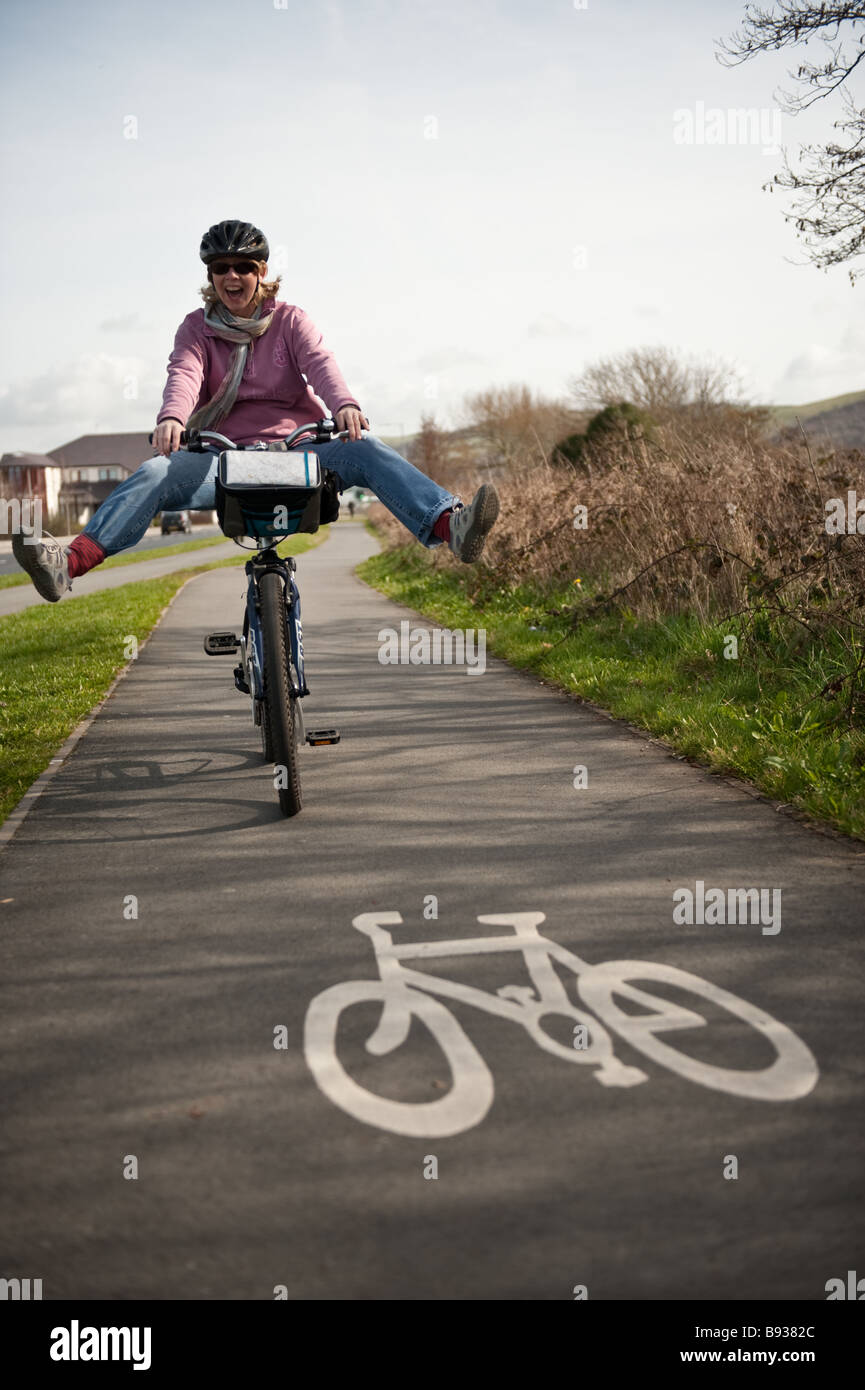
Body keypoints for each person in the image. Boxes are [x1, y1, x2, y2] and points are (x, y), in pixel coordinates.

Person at [14, 220, 500, 602]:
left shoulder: (290, 320)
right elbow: (183, 373)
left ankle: (449, 527)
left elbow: (321, 364)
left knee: (368, 449)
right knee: (155, 472)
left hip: (301, 449)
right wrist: (172, 419)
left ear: (261, 273)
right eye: (221, 267)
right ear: (210, 277)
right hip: (225, 459)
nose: (233, 276)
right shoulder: (195, 330)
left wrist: (346, 405)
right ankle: (69, 563)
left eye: (244, 267)